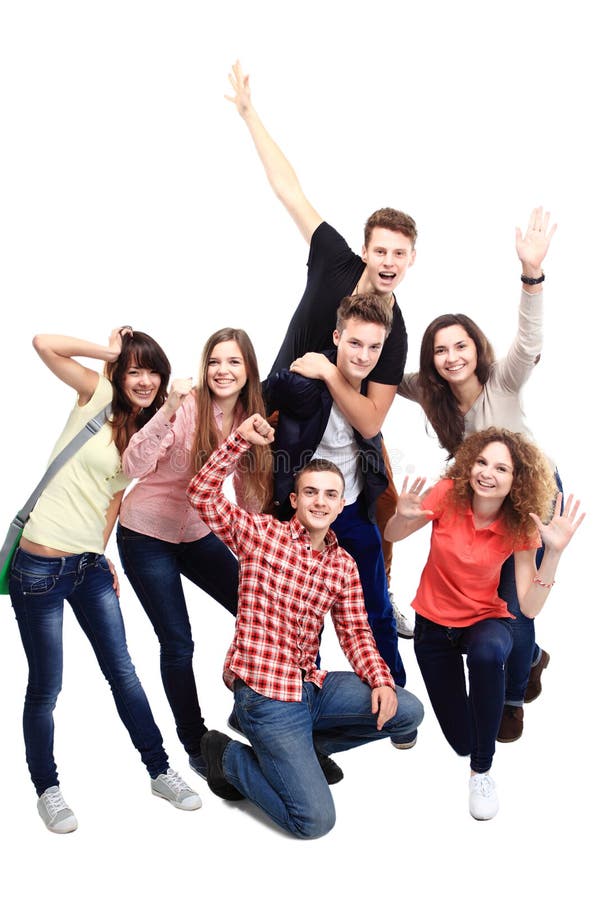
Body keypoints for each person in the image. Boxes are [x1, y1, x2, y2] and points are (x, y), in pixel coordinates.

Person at [226, 60, 416, 638]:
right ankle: (280, 622)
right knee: (276, 510)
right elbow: (289, 188)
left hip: (343, 418)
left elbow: (373, 418)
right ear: (365, 250)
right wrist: (250, 113)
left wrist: (333, 373)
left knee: (377, 510)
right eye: (380, 252)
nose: (387, 263)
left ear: (410, 262)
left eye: (399, 256)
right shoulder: (333, 256)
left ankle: (378, 595)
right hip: (288, 405)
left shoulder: (394, 330)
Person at [186, 414, 424, 839]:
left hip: (310, 686)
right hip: (265, 693)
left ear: (341, 502)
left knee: (407, 710)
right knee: (314, 822)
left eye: (330, 494)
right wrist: (239, 440)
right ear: (294, 500)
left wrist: (381, 680)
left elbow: (356, 634)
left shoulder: (342, 564)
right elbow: (201, 494)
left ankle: (307, 750)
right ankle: (228, 758)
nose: (319, 501)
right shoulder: (260, 534)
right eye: (310, 492)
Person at [9, 327, 200, 834]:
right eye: (133, 370)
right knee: (46, 687)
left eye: (152, 371)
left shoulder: (149, 432)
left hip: (89, 566)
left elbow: (114, 497)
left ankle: (160, 770)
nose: (144, 379)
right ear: (119, 374)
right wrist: (110, 353)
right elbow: (43, 343)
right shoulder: (95, 395)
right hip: (40, 569)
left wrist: (101, 551)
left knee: (123, 672)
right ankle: (47, 788)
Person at [397, 207, 560, 742]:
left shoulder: (504, 383)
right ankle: (530, 656)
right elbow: (381, 377)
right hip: (482, 499)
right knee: (490, 595)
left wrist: (531, 274)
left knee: (514, 600)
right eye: (440, 350)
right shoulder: (428, 391)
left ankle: (512, 696)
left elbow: (529, 342)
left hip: (532, 494)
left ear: (475, 347)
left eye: (460, 345)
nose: (451, 357)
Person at [384, 428, 583, 820]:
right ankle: (473, 746)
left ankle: (482, 770)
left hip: (484, 621)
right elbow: (394, 534)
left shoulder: (519, 524)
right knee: (462, 739)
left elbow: (528, 605)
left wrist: (553, 555)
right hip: (434, 625)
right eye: (481, 462)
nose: (487, 473)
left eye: (501, 468)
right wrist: (400, 518)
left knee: (490, 652)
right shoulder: (446, 494)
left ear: (516, 481)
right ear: (469, 464)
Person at [116, 327, 272, 780]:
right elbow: (134, 466)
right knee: (179, 641)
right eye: (215, 362)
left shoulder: (248, 414)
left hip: (198, 532)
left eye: (234, 362)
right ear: (205, 368)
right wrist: (165, 408)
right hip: (146, 534)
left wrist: (261, 557)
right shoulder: (185, 407)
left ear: (248, 371)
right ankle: (195, 741)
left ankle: (253, 713)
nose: (223, 371)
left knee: (258, 612)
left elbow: (247, 495)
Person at [264, 293, 406, 693]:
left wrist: (331, 372)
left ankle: (392, 686)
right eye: (355, 343)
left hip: (355, 510)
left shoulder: (373, 386)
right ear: (337, 336)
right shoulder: (304, 380)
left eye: (374, 346)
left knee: (375, 606)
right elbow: (260, 395)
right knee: (303, 612)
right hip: (305, 513)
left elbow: (369, 428)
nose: (363, 355)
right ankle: (307, 690)